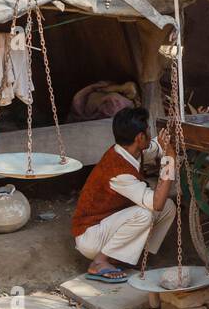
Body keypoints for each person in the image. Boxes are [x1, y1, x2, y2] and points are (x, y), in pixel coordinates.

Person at [71, 106, 176, 282]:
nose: (150, 135)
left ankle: (136, 256)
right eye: (148, 131)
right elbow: (156, 203)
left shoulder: (130, 149)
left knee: (168, 207)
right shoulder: (118, 171)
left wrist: (168, 139)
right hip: (91, 236)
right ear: (140, 138)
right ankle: (99, 261)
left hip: (108, 224)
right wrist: (170, 160)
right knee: (144, 214)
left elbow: (155, 147)